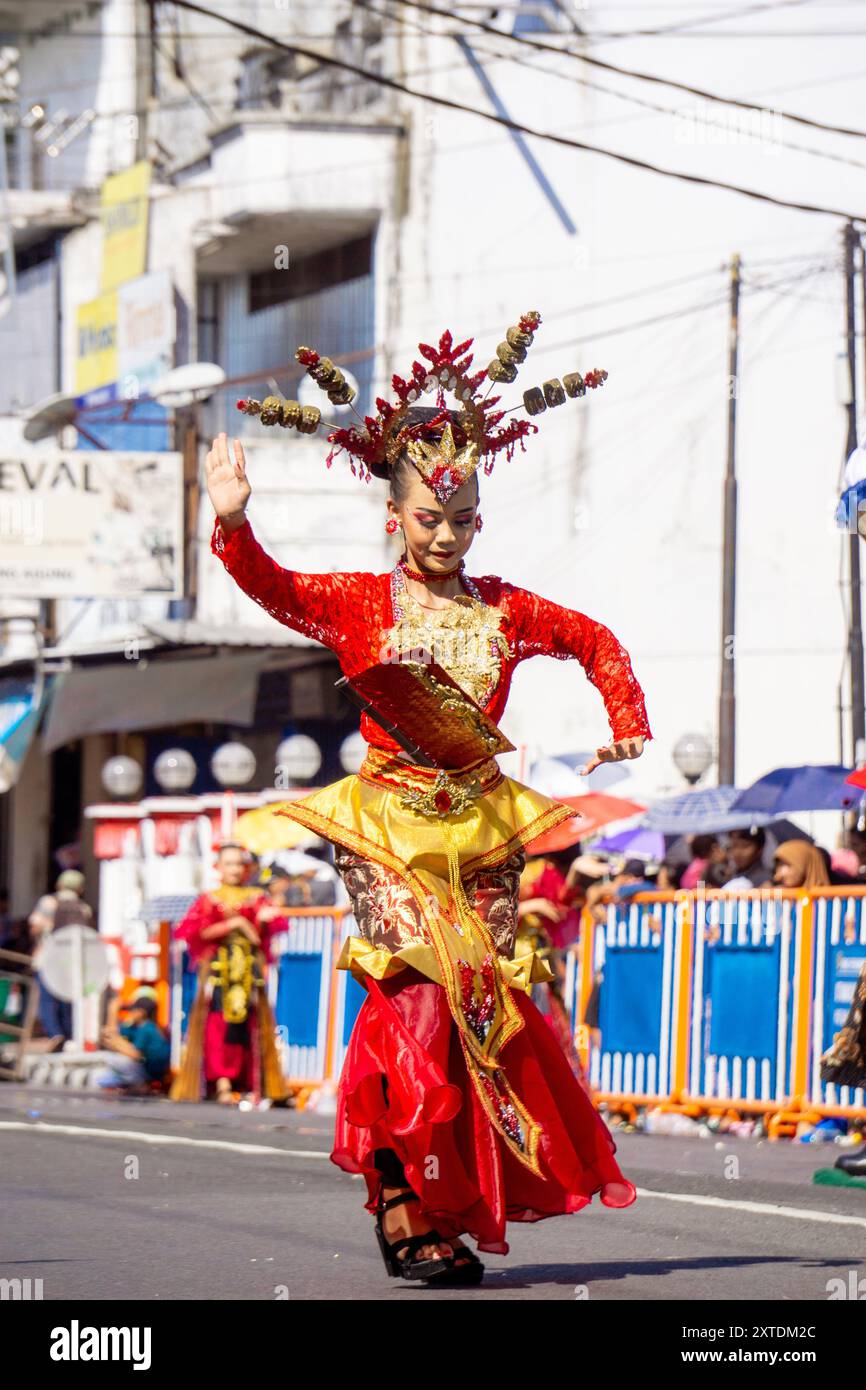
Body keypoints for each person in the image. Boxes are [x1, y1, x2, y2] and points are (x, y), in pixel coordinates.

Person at [210, 317, 652, 1283]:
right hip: (386, 824)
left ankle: (446, 1206)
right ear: (394, 516)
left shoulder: (507, 607)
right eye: (427, 520)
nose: (445, 535)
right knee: (412, 1001)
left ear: (479, 520)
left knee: (483, 1015)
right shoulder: (358, 602)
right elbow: (271, 586)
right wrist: (236, 522)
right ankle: (401, 1197)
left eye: (461, 521)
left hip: (483, 821)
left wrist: (625, 716)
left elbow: (597, 640)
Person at [171, 843, 290, 1105]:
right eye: (229, 864)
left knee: (249, 1027)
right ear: (218, 867)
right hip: (219, 971)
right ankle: (222, 1082)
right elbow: (196, 932)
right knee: (217, 1025)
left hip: (248, 971)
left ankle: (248, 1083)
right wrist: (234, 923)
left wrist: (262, 921)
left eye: (239, 864)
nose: (235, 869)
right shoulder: (210, 898)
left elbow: (264, 935)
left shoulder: (256, 896)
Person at [28, 870, 94, 1046]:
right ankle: (70, 1034)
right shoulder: (83, 908)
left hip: (47, 957)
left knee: (47, 998)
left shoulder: (48, 902)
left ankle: (54, 1033)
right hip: (70, 960)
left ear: (60, 884)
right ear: (79, 888)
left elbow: (34, 927)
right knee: (67, 998)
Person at [95, 990, 171, 1092]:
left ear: (141, 1012)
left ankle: (139, 1083)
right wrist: (112, 1012)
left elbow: (135, 1054)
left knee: (117, 1059)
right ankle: (130, 1083)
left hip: (152, 1070)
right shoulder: (136, 1027)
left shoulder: (147, 1029)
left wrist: (115, 1043)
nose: (130, 1013)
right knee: (110, 1063)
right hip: (145, 1067)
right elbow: (113, 1034)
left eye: (133, 1010)